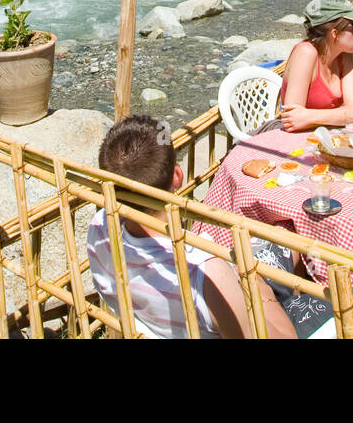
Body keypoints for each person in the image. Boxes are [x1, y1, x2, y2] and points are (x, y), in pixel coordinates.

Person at [86, 116, 297, 338]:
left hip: (161, 325)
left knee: (282, 250)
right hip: (240, 301)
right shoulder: (206, 272)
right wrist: (261, 290)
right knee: (292, 266)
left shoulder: (100, 230)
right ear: (178, 176)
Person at [280, 0, 353, 132]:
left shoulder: (344, 54)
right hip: (295, 138)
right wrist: (342, 115)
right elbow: (292, 120)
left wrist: (309, 116)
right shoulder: (306, 53)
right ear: (335, 33)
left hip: (327, 136)